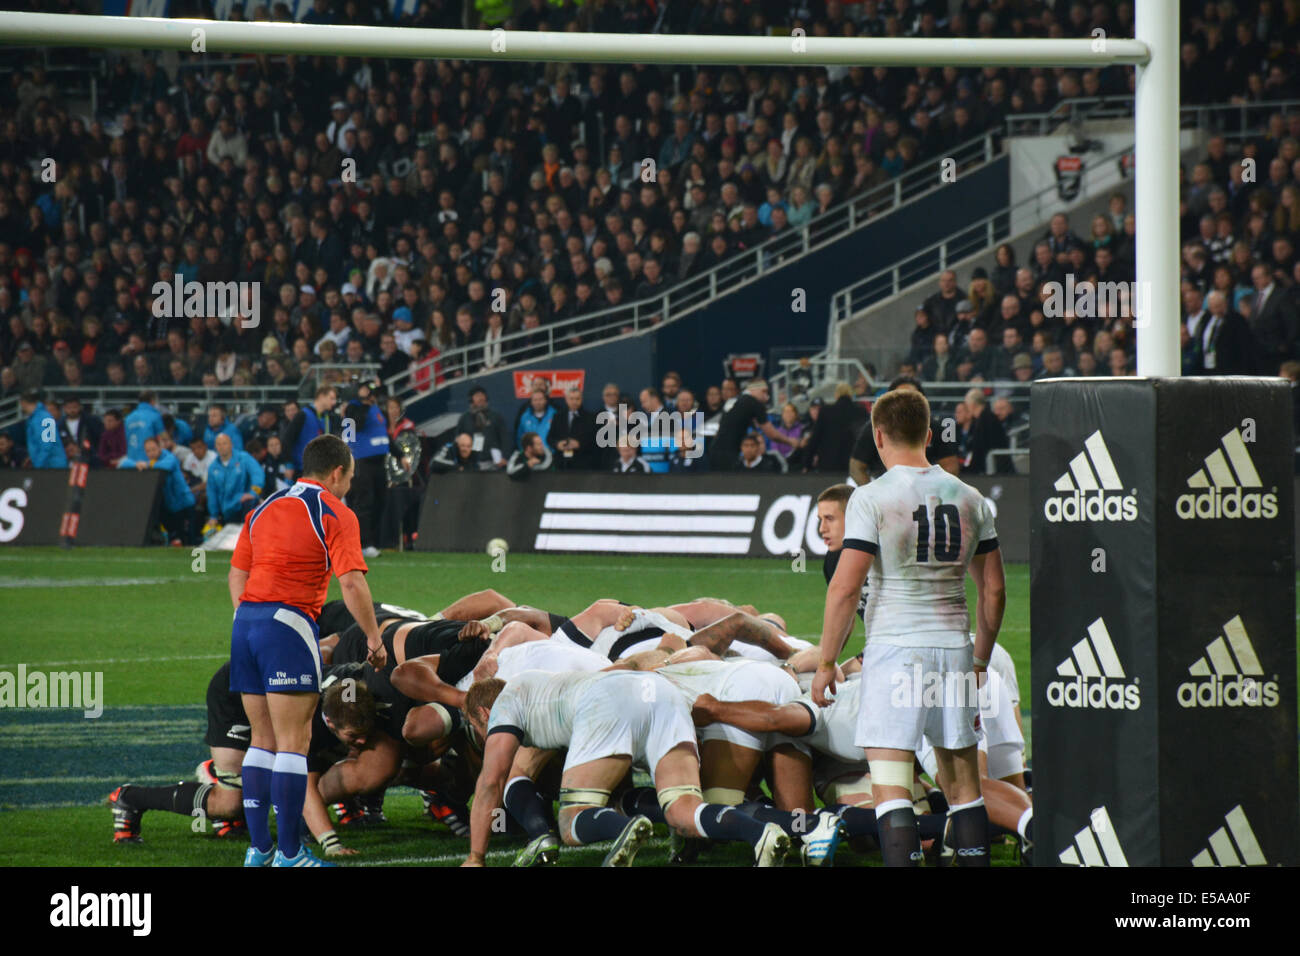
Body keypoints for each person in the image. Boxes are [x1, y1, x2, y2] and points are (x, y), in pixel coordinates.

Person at [813, 387, 1005, 867]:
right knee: (963, 787)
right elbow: (995, 592)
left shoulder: (871, 497)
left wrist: (825, 662)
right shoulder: (971, 497)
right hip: (955, 649)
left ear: (878, 436)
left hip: (897, 649)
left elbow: (843, 587)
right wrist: (980, 660)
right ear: (928, 434)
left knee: (891, 785)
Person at [227, 433, 385, 868]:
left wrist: (250, 620)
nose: (349, 486)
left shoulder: (264, 506)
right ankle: (292, 855)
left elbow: (237, 573)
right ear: (336, 474)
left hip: (246, 625)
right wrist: (373, 639)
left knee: (261, 742)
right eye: (349, 478)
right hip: (289, 623)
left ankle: (259, 850)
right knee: (294, 744)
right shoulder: (334, 510)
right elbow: (351, 581)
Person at [461, 670, 792, 867]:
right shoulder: (543, 685)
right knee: (682, 810)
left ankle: (623, 829)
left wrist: (476, 857)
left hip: (608, 700)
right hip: (662, 692)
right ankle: (759, 834)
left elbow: (491, 781)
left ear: (485, 713)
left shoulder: (506, 703)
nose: (483, 737)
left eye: (479, 730)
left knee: (572, 817)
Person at [849, 377, 961, 484]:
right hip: (886, 488)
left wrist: (936, 490)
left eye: (912, 398)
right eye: (900, 398)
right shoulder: (874, 427)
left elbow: (950, 465)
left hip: (926, 490)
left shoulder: (937, 427)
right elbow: (856, 466)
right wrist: (874, 491)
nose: (906, 404)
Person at [342, 381, 390, 558]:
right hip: (362, 462)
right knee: (364, 502)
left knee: (380, 501)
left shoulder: (376, 409)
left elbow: (383, 433)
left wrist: (399, 454)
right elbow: (355, 428)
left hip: (379, 462)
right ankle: (363, 543)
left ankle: (374, 541)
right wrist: (362, 403)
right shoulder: (352, 410)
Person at [118, 435, 196, 545]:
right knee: (175, 539)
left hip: (184, 504)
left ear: (160, 447)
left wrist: (147, 465)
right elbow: (122, 463)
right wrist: (136, 464)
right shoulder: (151, 461)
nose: (151, 453)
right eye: (148, 451)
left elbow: (164, 467)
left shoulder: (170, 458)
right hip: (169, 506)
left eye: (153, 449)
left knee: (188, 541)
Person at [708, 378, 785, 470]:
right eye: (763, 391)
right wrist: (791, 441)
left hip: (714, 450)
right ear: (753, 389)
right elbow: (772, 435)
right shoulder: (753, 402)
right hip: (728, 454)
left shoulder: (733, 400)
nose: (766, 395)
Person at [206, 432, 264, 529]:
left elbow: (258, 475)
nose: (222, 447)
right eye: (218, 444)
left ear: (231, 444)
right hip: (226, 510)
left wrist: (253, 493)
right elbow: (212, 492)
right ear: (215, 447)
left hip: (243, 504)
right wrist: (213, 515)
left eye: (224, 443)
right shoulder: (213, 467)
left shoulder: (243, 458)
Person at [284, 385, 339, 474]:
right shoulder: (303, 415)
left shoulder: (329, 418)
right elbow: (287, 439)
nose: (334, 402)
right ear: (321, 396)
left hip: (321, 469)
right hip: (302, 468)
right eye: (331, 398)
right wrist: (289, 464)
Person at [549, 386, 596, 470]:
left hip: (582, 464)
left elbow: (594, 440)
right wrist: (557, 444)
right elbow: (550, 438)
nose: (574, 402)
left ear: (581, 399)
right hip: (561, 463)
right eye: (571, 399)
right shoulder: (558, 416)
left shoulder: (590, 418)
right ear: (566, 399)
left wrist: (579, 444)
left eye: (577, 399)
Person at [19, 390, 66, 469]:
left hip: (52, 466)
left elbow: (47, 445)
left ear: (22, 403)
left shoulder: (45, 418)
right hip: (47, 464)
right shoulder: (34, 418)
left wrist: (38, 464)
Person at [123, 390, 165, 461]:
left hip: (132, 460)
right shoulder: (155, 416)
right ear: (152, 400)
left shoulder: (128, 418)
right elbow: (163, 438)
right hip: (150, 460)